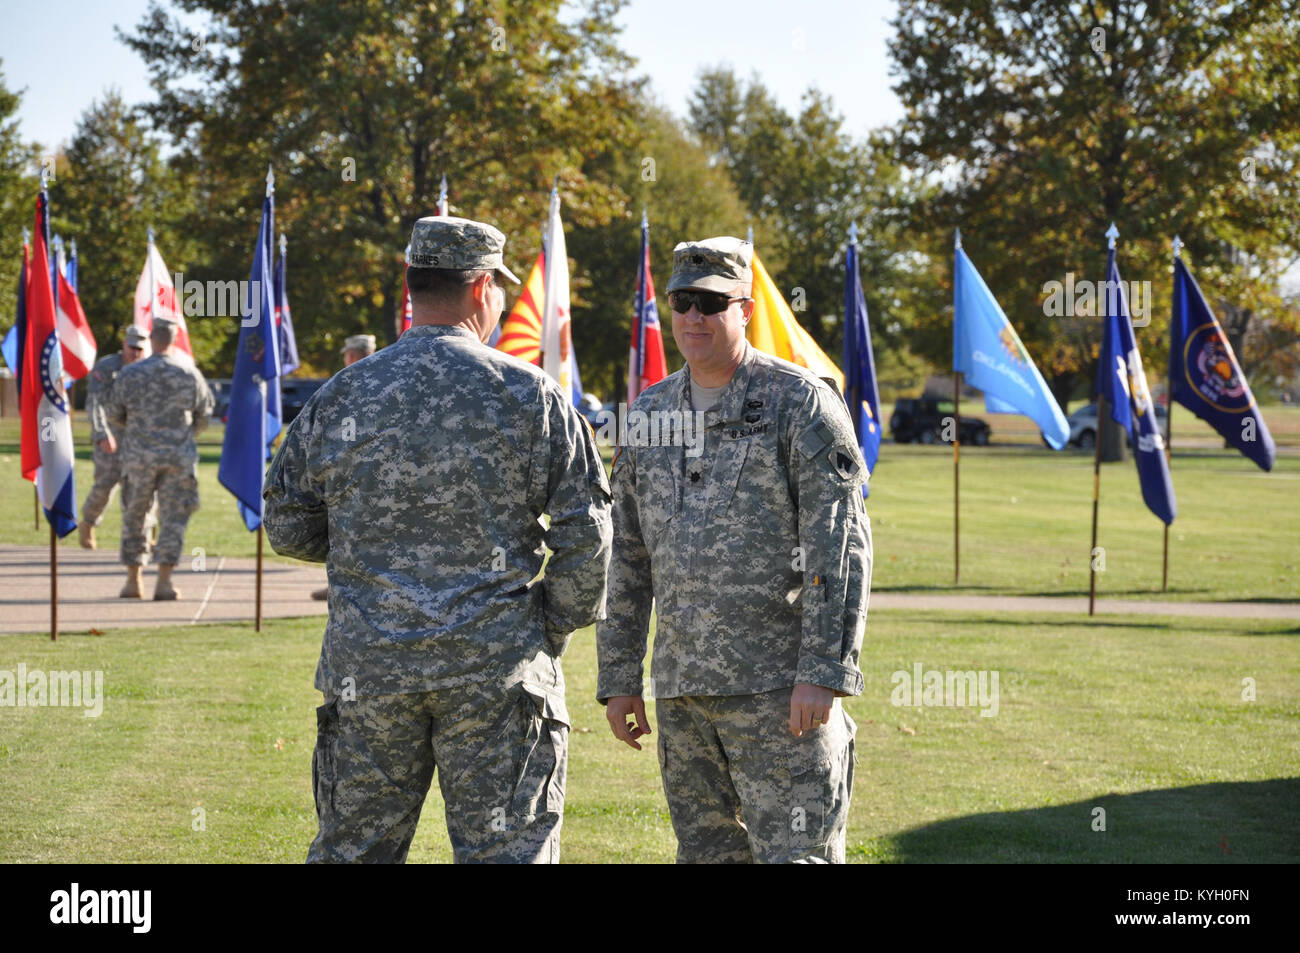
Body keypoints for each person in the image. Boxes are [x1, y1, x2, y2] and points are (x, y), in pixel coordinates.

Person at [263, 215, 612, 864]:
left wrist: (370, 549)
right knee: (508, 853)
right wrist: (550, 625)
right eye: (500, 288)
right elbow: (587, 537)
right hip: (497, 672)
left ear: (414, 283)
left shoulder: (342, 394)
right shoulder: (530, 395)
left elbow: (284, 520)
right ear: (481, 287)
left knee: (352, 853)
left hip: (369, 668)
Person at [597, 236, 871, 864]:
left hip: (780, 694)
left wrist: (823, 671)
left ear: (745, 309)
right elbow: (629, 558)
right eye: (683, 301)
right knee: (706, 857)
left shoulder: (798, 403)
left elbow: (839, 545)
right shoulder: (650, 412)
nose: (694, 317)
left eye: (712, 303)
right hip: (684, 693)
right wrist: (619, 677)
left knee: (797, 856)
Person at [106, 316, 216, 600]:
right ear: (174, 339)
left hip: (138, 457)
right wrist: (181, 434)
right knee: (174, 518)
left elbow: (114, 415)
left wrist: (137, 433)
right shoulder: (189, 373)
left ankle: (133, 581)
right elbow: (204, 416)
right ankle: (164, 582)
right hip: (178, 457)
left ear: (152, 339)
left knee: (135, 515)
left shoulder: (130, 374)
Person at [310, 332, 380, 601]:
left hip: (348, 470)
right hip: (384, 470)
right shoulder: (391, 378)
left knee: (343, 529)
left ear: (350, 356)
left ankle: (339, 584)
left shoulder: (342, 385)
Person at [80, 325, 149, 550]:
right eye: (132, 347)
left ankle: (139, 537)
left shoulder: (149, 369)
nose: (135, 352)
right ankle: (88, 523)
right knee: (104, 486)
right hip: (111, 439)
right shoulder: (107, 367)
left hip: (139, 441)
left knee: (139, 491)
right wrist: (101, 434)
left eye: (140, 348)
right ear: (124, 344)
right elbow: (95, 403)